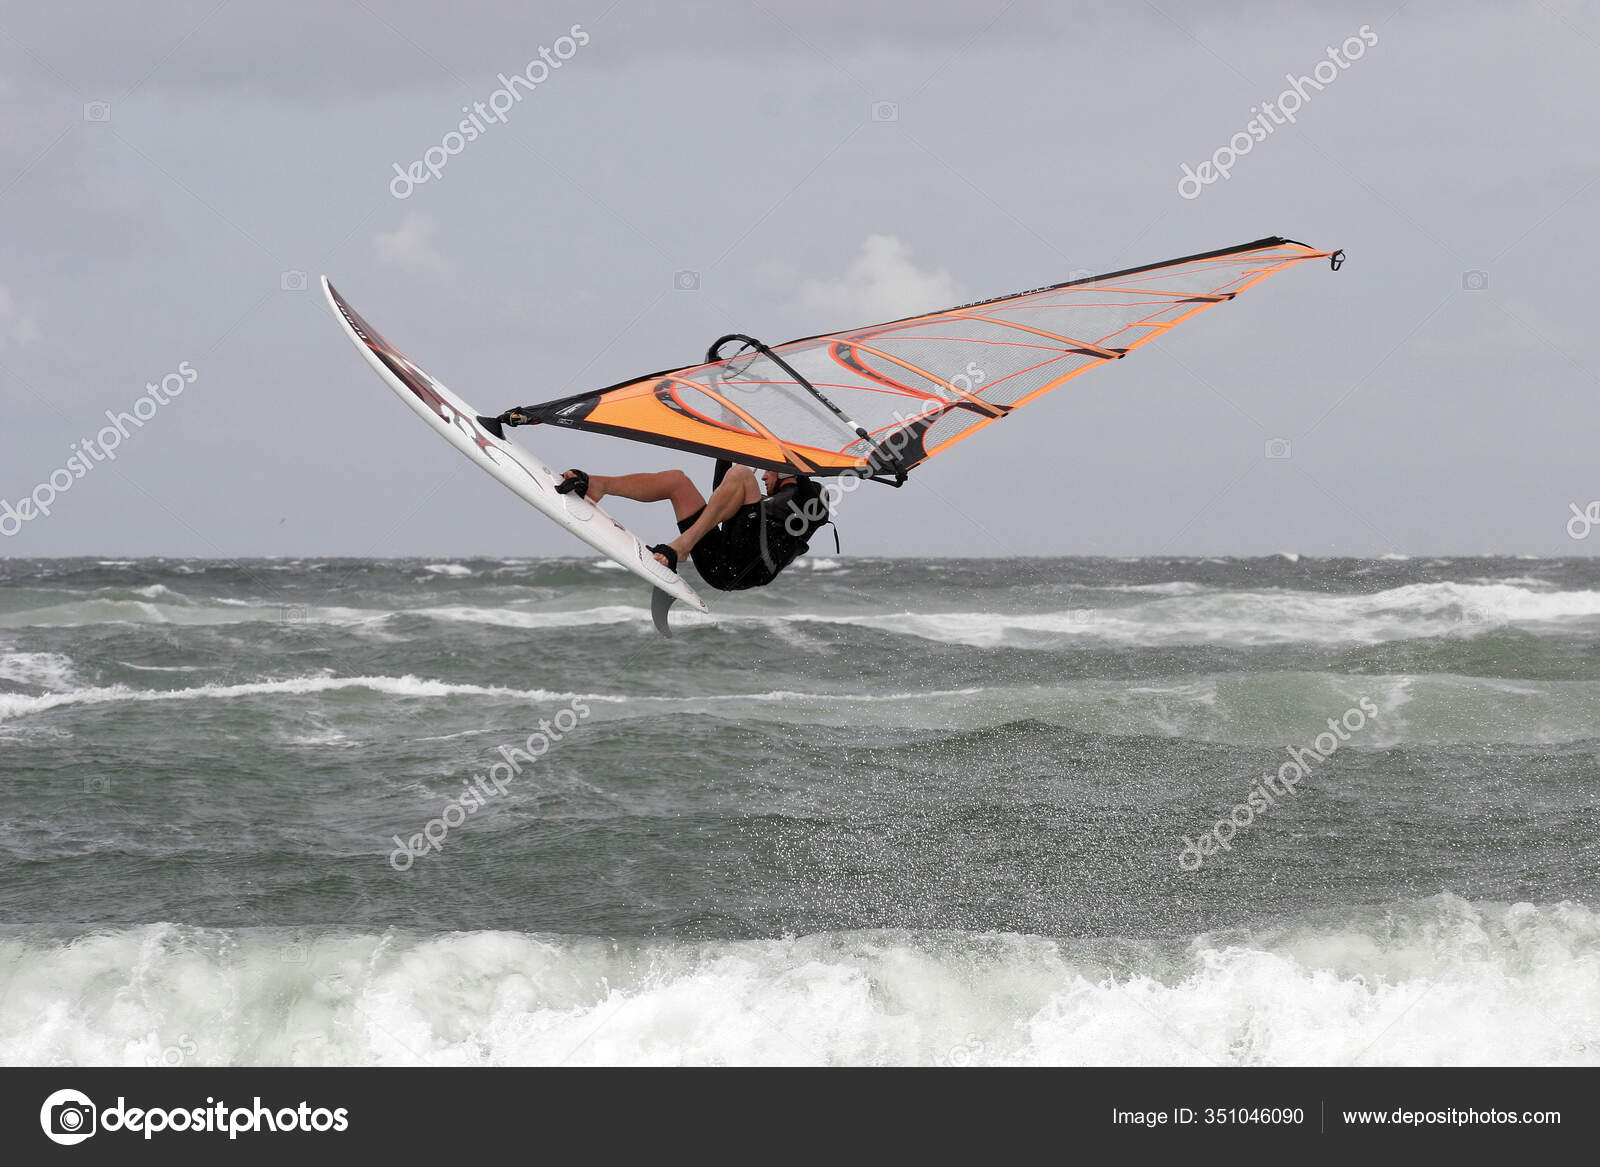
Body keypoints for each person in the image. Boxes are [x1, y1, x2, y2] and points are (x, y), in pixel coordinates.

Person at [551, 460, 831, 591]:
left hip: (746, 570)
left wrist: (786, 460)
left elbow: (811, 498)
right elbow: (721, 495)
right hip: (717, 561)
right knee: (677, 480)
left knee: (742, 473)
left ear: (784, 472)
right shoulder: (758, 500)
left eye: (769, 470)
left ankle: (682, 547)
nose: (764, 476)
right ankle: (600, 485)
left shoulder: (811, 497)